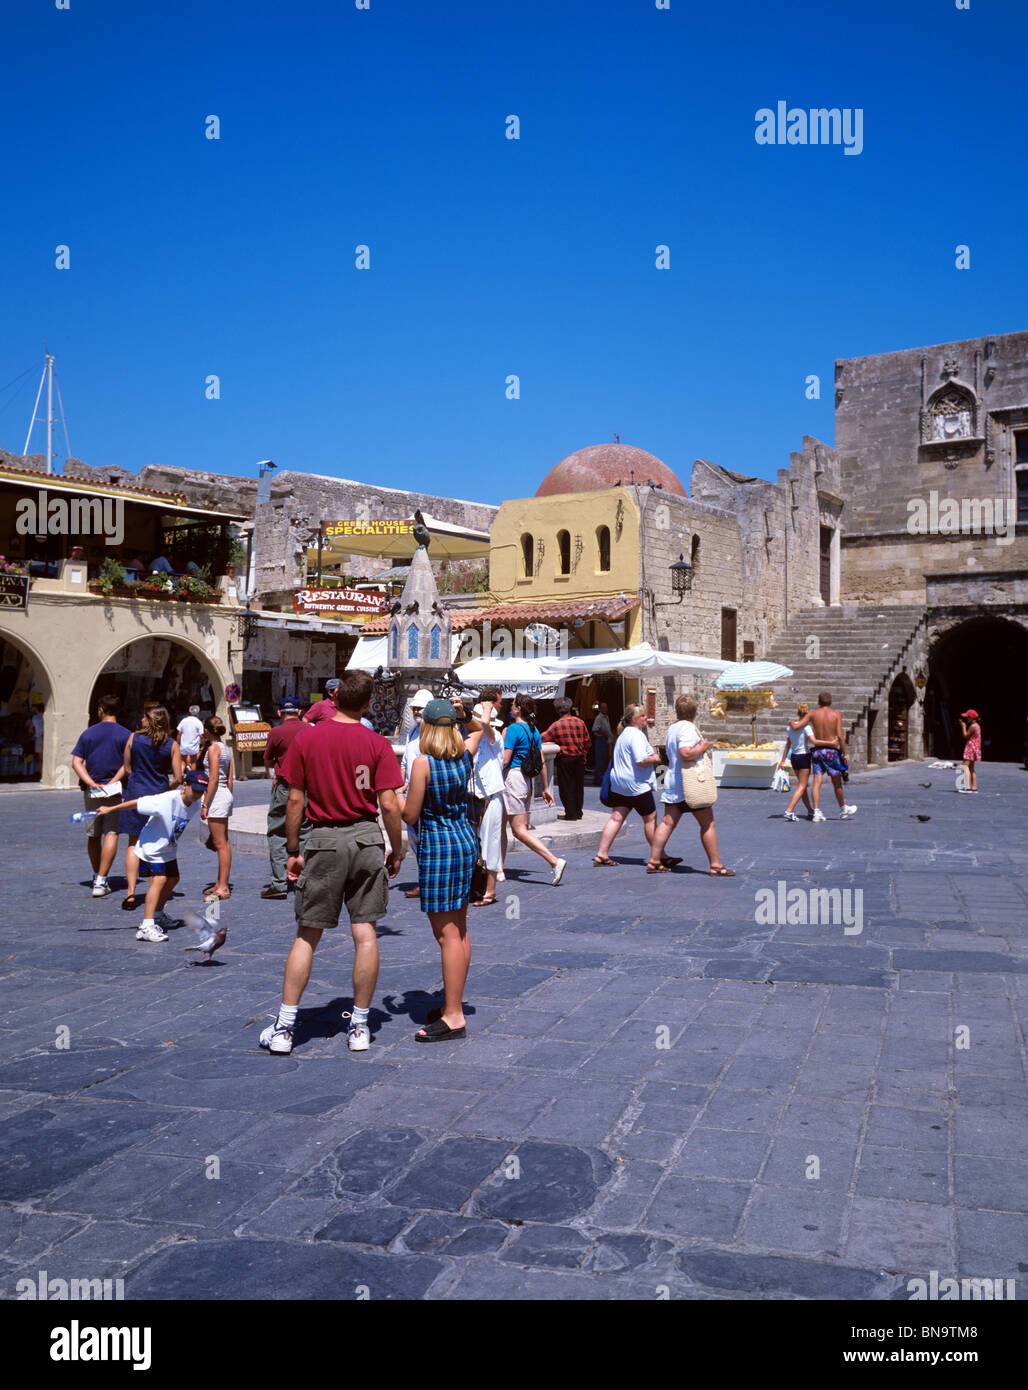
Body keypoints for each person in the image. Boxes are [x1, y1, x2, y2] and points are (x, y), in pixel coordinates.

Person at [260, 670, 404, 1056]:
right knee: (365, 933)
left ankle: (285, 1027)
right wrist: (397, 847)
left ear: (334, 697)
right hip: (365, 838)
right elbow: (389, 803)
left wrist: (293, 848)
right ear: (368, 703)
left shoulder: (308, 739)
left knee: (307, 934)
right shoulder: (377, 743)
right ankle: (358, 1024)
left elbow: (294, 799)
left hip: (323, 839)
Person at [401, 698, 486, 1041]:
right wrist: (465, 713)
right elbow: (479, 728)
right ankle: (454, 1003)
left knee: (446, 935)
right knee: (460, 930)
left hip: (438, 847)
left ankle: (453, 1016)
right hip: (465, 841)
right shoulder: (464, 755)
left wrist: (393, 798)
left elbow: (410, 815)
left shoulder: (423, 763)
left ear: (427, 727)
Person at [95, 769, 209, 942]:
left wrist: (206, 809)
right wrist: (111, 809)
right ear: (184, 785)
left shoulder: (196, 801)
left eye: (202, 791)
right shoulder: (165, 800)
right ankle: (146, 927)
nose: (198, 794)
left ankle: (158, 914)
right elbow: (136, 802)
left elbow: (205, 800)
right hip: (151, 847)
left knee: (173, 879)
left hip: (168, 847)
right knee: (159, 880)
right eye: (195, 789)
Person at [648, 695, 735, 875]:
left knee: (667, 822)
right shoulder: (688, 728)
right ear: (695, 713)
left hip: (673, 781)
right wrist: (703, 747)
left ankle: (654, 860)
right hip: (690, 783)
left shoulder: (673, 728)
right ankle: (716, 865)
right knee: (707, 823)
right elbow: (686, 753)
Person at [114, 706, 183, 910]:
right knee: (157, 842)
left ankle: (131, 892)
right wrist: (164, 787)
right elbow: (178, 777)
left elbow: (127, 768)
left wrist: (139, 779)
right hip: (159, 797)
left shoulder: (133, 739)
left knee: (133, 843)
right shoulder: (171, 745)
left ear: (149, 721)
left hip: (135, 793)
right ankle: (155, 887)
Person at [70, 693, 132, 898]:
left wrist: (90, 782)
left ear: (101, 710)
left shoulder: (88, 734)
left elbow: (77, 762)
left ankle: (97, 875)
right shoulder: (126, 734)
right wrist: (114, 781)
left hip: (93, 789)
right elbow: (127, 764)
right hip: (116, 790)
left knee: (93, 834)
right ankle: (101, 880)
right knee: (112, 832)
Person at [502, 693, 566, 885]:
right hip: (527, 782)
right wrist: (545, 787)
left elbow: (505, 760)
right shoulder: (534, 731)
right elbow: (542, 763)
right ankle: (498, 869)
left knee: (518, 831)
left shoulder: (513, 729)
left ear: (519, 708)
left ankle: (554, 861)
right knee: (501, 826)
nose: (510, 707)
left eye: (512, 704)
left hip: (513, 778)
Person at [595, 703, 664, 867]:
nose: (645, 717)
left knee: (616, 817)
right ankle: (659, 856)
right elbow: (641, 760)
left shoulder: (623, 734)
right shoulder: (636, 735)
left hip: (620, 784)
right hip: (637, 785)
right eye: (643, 716)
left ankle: (601, 854)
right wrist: (656, 758)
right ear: (634, 719)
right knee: (650, 819)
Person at [261, 698, 311, 898]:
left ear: (280, 713)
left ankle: (279, 883)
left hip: (285, 785)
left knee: (277, 831)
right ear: (299, 712)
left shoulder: (275, 732)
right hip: (307, 785)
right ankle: (305, 880)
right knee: (306, 830)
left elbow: (267, 760)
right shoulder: (309, 730)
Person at [797, 692, 858, 821]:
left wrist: (792, 723)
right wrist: (844, 753)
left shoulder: (813, 714)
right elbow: (840, 736)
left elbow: (798, 725)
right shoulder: (836, 714)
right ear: (831, 702)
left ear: (818, 702)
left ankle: (817, 812)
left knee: (816, 782)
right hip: (831, 752)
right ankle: (843, 809)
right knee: (837, 783)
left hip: (817, 752)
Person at [469, 696, 505, 906]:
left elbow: (484, 725)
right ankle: (474, 886)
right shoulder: (470, 738)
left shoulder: (496, 737)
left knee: (491, 843)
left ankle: (490, 891)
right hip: (472, 797)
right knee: (472, 845)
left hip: (491, 797)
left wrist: (485, 708)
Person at [400, 689, 434, 898]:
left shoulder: (434, 734)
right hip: (410, 792)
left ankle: (429, 882)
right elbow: (405, 761)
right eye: (414, 708)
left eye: (419, 708)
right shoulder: (413, 732)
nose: (416, 711)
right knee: (415, 839)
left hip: (426, 793)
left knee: (427, 839)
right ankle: (424, 880)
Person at [199, 716, 234, 899]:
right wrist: (229, 797)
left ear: (207, 731)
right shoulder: (226, 749)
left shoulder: (213, 749)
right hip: (224, 794)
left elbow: (212, 778)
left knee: (220, 844)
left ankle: (223, 887)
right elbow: (229, 778)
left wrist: (205, 803)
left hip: (216, 795)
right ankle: (221, 882)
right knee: (223, 842)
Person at [542, 697, 591, 821]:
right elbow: (588, 742)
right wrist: (584, 754)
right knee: (578, 786)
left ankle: (571, 813)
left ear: (557, 710)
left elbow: (542, 738)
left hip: (565, 759)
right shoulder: (580, 722)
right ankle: (578, 811)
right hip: (579, 758)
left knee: (566, 786)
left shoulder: (556, 725)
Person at [778, 702, 814, 822]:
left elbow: (788, 744)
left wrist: (782, 761)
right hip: (804, 756)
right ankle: (789, 810)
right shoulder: (807, 727)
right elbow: (813, 740)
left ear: (798, 713)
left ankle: (810, 810)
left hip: (794, 757)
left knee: (801, 786)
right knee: (803, 785)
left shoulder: (790, 726)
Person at [959, 708, 981, 793]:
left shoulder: (973, 726)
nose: (966, 718)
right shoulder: (977, 725)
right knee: (971, 768)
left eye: (967, 717)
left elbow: (966, 736)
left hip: (970, 748)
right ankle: (974, 787)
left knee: (965, 767)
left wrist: (963, 726)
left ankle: (967, 787)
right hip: (975, 748)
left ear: (971, 718)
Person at [176, 705, 204, 770]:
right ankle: (192, 777)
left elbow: (179, 734)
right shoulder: (199, 722)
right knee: (193, 762)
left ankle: (181, 776)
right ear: (198, 712)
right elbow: (201, 736)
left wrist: (177, 743)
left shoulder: (183, 720)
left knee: (183, 761)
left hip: (183, 746)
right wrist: (203, 745)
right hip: (193, 746)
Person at [591, 702, 612, 785]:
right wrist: (605, 734)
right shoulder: (599, 718)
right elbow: (595, 729)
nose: (605, 709)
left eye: (605, 708)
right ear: (599, 709)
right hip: (601, 739)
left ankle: (601, 778)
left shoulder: (606, 717)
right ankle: (598, 780)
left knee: (604, 760)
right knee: (600, 760)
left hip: (605, 740)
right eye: (603, 708)